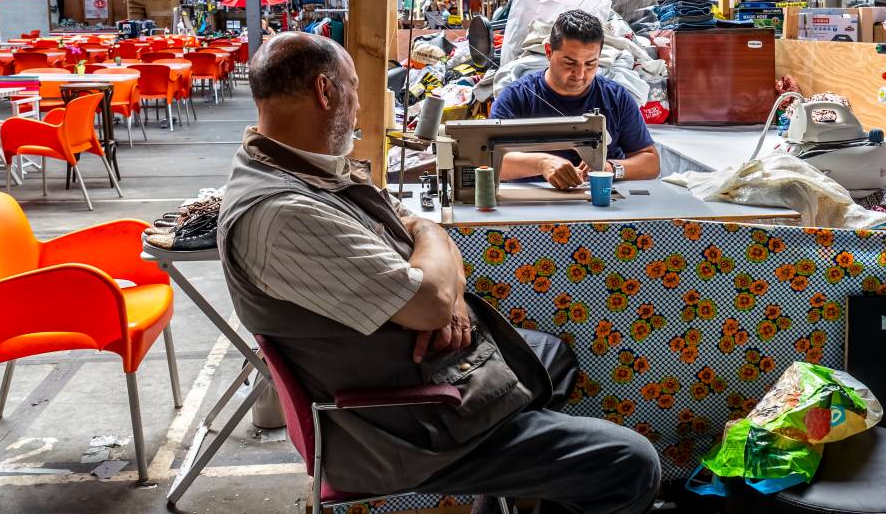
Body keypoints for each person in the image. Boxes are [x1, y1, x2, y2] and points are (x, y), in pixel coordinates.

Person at [218, 32, 661, 514]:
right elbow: (426, 289)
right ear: (325, 92)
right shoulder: (283, 214)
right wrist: (435, 270)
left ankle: (505, 496)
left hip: (410, 376)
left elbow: (424, 258)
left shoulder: (305, 171)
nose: (359, 105)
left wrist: (441, 285)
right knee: (630, 463)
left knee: (549, 356)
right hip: (400, 426)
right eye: (353, 86)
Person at [491, 9, 660, 189]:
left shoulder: (616, 98)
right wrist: (542, 163)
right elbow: (490, 162)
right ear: (549, 51)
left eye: (590, 64)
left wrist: (613, 168)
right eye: (570, 62)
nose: (580, 74)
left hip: (599, 205)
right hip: (534, 207)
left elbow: (651, 162)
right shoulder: (516, 98)